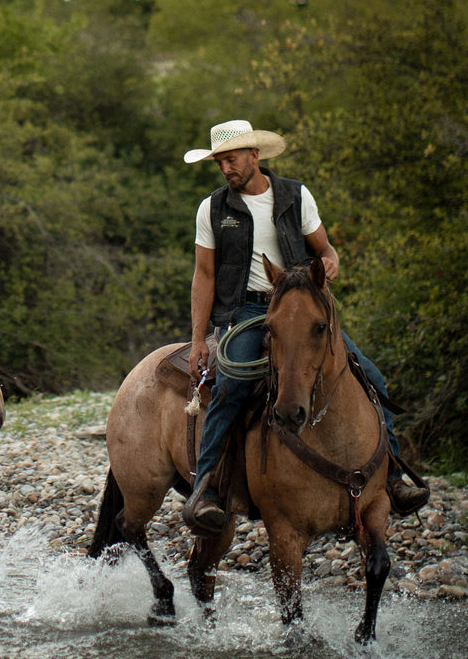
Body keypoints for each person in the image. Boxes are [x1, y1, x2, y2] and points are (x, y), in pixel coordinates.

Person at [179, 120, 429, 534]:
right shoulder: (213, 208)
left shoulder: (296, 195)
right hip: (244, 312)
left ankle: (394, 478)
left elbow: (325, 248)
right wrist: (198, 339)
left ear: (254, 155)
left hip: (302, 306)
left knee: (371, 375)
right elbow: (203, 275)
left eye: (232, 159)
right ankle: (206, 487)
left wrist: (331, 261)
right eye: (220, 162)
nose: (226, 169)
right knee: (232, 386)